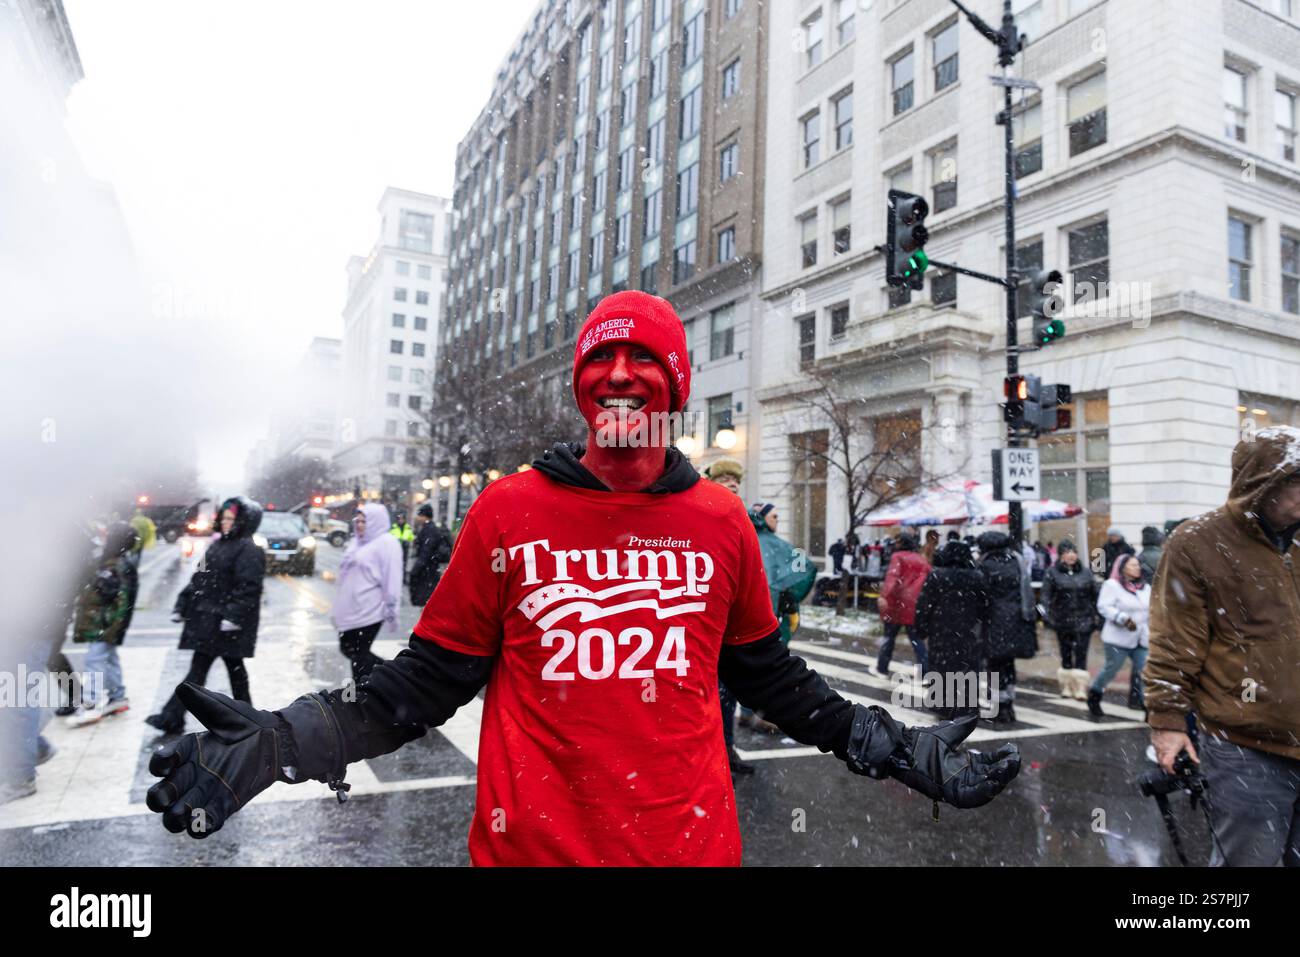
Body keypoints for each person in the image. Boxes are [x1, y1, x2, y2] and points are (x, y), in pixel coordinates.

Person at [145, 290, 1020, 863]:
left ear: (674, 384)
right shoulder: (508, 512)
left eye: (645, 358)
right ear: (582, 388)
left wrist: (893, 746)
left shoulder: (718, 522)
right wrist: (283, 741)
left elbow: (771, 678)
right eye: (602, 359)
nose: (622, 374)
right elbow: (420, 685)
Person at [1145, 426, 1300, 866]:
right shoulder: (1198, 543)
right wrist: (1168, 723)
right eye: (1298, 478)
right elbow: (1174, 643)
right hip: (1247, 746)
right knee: (1248, 862)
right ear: (1263, 481)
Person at [146, 497, 265, 735]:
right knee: (219, 671)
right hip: (210, 621)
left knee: (221, 671)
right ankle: (175, 716)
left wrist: (233, 617)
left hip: (226, 625)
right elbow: (199, 577)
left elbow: (249, 588)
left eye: (231, 519)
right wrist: (183, 603)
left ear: (244, 521)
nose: (225, 522)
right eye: (224, 518)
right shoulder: (216, 545)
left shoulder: (249, 550)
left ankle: (174, 716)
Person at [737, 502, 818, 734]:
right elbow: (802, 569)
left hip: (747, 616)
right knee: (765, 668)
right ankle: (756, 713)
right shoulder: (770, 545)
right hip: (767, 615)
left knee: (747, 666)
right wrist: (788, 598)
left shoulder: (752, 539)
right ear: (763, 518)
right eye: (774, 516)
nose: (777, 520)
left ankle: (747, 713)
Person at [703, 458, 752, 774]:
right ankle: (713, 755)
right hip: (705, 620)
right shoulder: (702, 513)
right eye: (724, 478)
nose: (732, 484)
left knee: (728, 692)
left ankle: (727, 749)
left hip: (731, 621)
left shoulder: (739, 517)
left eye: (735, 480)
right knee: (710, 695)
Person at [67, 521, 140, 726]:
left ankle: (91, 703)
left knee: (94, 660)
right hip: (107, 624)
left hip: (105, 624)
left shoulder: (116, 565)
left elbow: (120, 599)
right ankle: (118, 697)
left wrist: (112, 626)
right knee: (108, 658)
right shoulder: (118, 563)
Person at [912, 540, 989, 719]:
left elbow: (924, 604)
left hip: (941, 631)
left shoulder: (937, 575)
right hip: (968, 632)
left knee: (942, 668)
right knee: (967, 669)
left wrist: (921, 628)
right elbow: (985, 606)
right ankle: (966, 707)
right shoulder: (976, 577)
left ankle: (943, 707)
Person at [334, 503, 404, 683]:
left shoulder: (387, 543)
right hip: (351, 610)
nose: (359, 524)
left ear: (375, 521)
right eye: (357, 520)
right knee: (348, 649)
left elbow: (392, 579)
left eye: (364, 521)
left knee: (359, 654)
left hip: (370, 609)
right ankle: (391, 677)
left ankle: (365, 693)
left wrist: (391, 609)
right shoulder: (357, 541)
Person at [977, 531, 1037, 723]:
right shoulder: (1016, 561)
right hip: (1016, 619)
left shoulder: (984, 565)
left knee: (995, 664)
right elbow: (1025, 590)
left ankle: (998, 705)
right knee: (1009, 663)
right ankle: (1008, 703)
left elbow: (980, 597)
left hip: (993, 620)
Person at [1087, 555, 1150, 718]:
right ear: (1122, 568)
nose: (1137, 568)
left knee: (1146, 672)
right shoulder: (1112, 585)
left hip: (1141, 638)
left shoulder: (1145, 587)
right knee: (1112, 669)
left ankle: (1148, 706)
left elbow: (1150, 609)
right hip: (1118, 638)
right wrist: (1121, 618)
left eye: (1137, 565)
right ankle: (1095, 695)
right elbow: (1103, 606)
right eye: (1132, 565)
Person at [1038, 542, 1099, 700]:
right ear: (1060, 555)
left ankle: (1080, 687)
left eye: (1073, 552)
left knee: (1081, 653)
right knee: (1065, 653)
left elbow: (1095, 595)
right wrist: (1046, 615)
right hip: (1062, 620)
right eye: (1067, 552)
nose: (1071, 555)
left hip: (1084, 620)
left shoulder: (1086, 573)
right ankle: (1066, 686)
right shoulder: (1052, 573)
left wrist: (1097, 615)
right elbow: (1046, 595)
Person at [876, 532, 931, 676]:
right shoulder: (922, 560)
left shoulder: (898, 557)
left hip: (897, 603)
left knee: (889, 637)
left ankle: (882, 668)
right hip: (915, 604)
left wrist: (884, 596)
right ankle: (925, 672)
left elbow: (892, 578)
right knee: (917, 640)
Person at [408, 503, 453, 608]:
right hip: (430, 569)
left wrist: (416, 569)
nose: (418, 518)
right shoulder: (430, 528)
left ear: (424, 516)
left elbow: (426, 551)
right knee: (428, 600)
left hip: (428, 571)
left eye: (420, 515)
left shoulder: (429, 530)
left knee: (427, 600)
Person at [389, 511, 414, 583]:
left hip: (405, 548)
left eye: (402, 519)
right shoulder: (394, 527)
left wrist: (408, 541)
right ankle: (396, 578)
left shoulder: (407, 527)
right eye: (399, 519)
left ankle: (403, 578)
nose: (401, 520)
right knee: (396, 563)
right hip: (396, 548)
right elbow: (390, 536)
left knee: (404, 564)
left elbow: (411, 537)